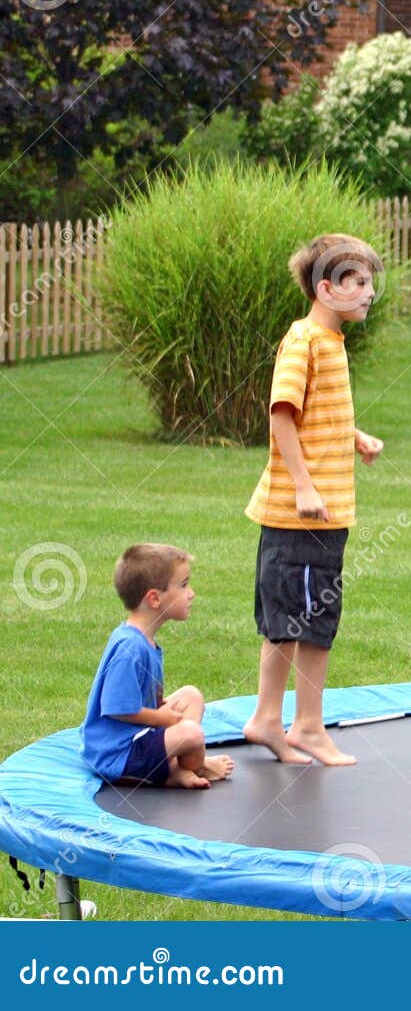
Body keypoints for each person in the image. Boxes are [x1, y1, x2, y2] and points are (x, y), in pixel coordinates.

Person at [242, 234, 385, 766]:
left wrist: (355, 435)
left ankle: (269, 719)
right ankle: (305, 725)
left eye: (371, 282)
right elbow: (282, 413)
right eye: (359, 283)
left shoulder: (330, 342)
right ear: (326, 288)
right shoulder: (303, 340)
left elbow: (315, 412)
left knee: (293, 618)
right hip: (303, 513)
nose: (370, 292)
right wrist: (304, 485)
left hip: (320, 512)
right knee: (305, 620)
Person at [81, 544, 233, 789]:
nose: (191, 593)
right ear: (154, 598)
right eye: (184, 585)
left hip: (137, 737)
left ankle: (177, 769)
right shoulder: (130, 648)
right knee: (192, 734)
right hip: (119, 755)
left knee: (191, 696)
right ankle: (189, 767)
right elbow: (116, 708)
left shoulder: (144, 641)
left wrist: (159, 710)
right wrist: (160, 717)